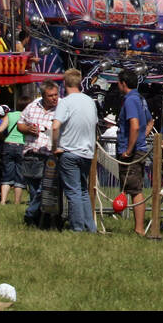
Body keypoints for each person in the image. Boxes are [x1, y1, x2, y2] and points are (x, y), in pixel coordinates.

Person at [50, 69, 99, 233]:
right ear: (80, 83)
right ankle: (90, 227)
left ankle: (77, 227)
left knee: (73, 192)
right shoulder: (90, 101)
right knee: (83, 191)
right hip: (87, 152)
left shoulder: (65, 102)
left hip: (69, 151)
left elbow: (55, 126)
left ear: (65, 84)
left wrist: (54, 146)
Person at [18, 81, 59, 227]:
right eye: (50, 96)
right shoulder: (32, 106)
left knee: (44, 189)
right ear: (42, 95)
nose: (54, 98)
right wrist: (28, 129)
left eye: (56, 94)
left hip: (50, 155)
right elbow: (20, 124)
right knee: (35, 190)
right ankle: (38, 220)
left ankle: (30, 214)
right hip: (31, 153)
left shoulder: (62, 107)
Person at [115, 69, 151, 236]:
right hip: (140, 148)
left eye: (118, 82)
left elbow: (134, 126)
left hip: (132, 152)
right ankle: (138, 228)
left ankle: (139, 229)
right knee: (134, 188)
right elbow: (150, 122)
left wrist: (129, 150)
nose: (117, 85)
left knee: (135, 190)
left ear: (123, 83)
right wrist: (142, 139)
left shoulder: (130, 100)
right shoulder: (141, 99)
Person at [0, 104, 26, 205]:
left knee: (7, 174)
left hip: (8, 145)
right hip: (21, 146)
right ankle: (17, 202)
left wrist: (4, 139)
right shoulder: (28, 115)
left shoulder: (10, 115)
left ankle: (3, 201)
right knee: (19, 175)